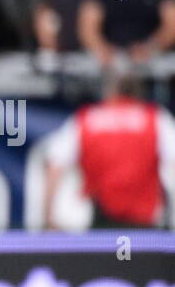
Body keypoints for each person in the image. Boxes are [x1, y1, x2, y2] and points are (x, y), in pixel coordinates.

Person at [42, 74, 175, 230]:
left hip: (102, 217)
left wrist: (48, 216)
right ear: (139, 92)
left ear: (108, 91)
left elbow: (55, 164)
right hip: (144, 219)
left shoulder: (87, 118)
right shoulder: (156, 118)